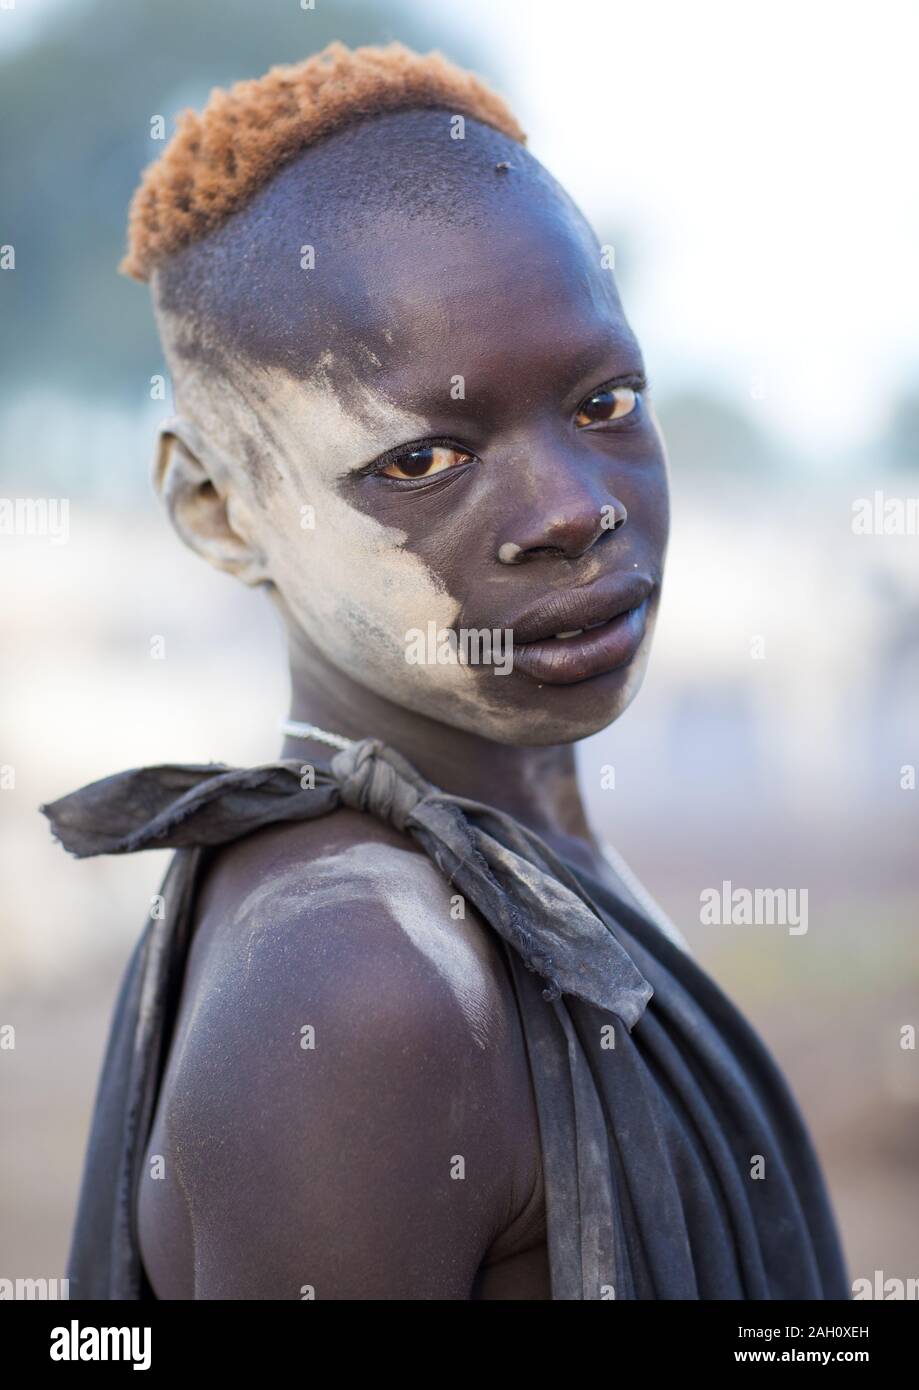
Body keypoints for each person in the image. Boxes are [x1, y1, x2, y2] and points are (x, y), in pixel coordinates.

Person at [44, 41, 849, 1300]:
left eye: (603, 401)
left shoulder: (517, 869)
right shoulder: (366, 984)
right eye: (420, 462)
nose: (575, 511)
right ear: (217, 511)